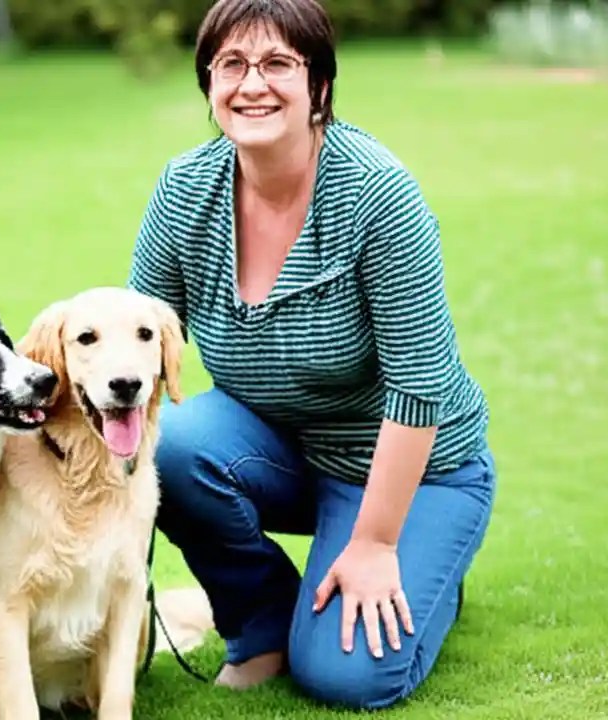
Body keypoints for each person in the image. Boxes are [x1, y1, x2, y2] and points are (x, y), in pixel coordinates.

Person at [126, 0, 495, 710]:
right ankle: (260, 628)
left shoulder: (378, 194)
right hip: (276, 451)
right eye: (230, 64)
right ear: (208, 83)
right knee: (171, 444)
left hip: (415, 473)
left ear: (318, 85)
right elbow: (136, 341)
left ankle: (429, 570)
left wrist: (378, 544)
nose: (251, 84)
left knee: (346, 677)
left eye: (277, 65)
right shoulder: (184, 190)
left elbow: (420, 390)